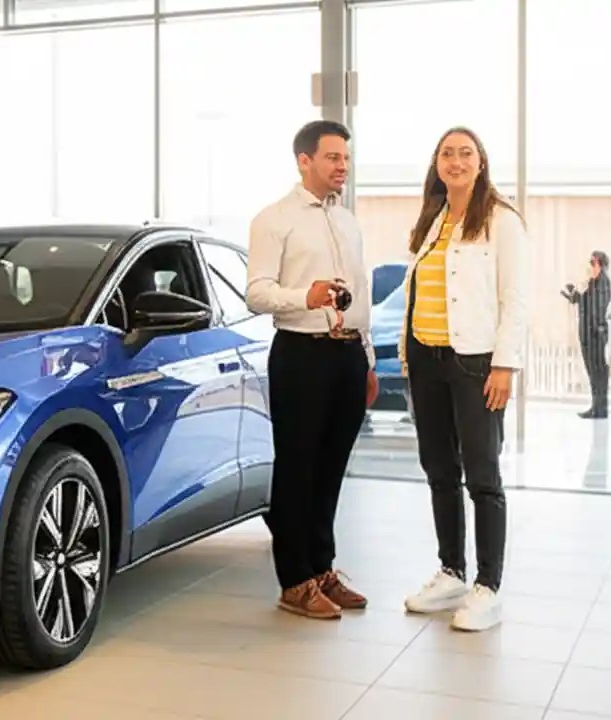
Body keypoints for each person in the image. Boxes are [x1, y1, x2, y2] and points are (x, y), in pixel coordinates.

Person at [397, 126, 530, 632]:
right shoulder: (434, 219)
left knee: (482, 474)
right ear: (436, 163)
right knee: (438, 469)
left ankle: (488, 585)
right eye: (446, 153)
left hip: (475, 363)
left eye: (465, 153)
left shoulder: (501, 220)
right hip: (425, 360)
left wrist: (504, 364)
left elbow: (515, 298)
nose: (455, 161)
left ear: (481, 162)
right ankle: (452, 570)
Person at [246, 119, 379, 621]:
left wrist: (365, 359)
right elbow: (256, 291)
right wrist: (306, 295)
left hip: (347, 355)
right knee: (298, 467)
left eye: (345, 158)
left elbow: (360, 295)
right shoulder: (273, 219)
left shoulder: (347, 221)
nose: (342, 166)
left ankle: (322, 568)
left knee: (331, 469)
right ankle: (294, 579)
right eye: (332, 158)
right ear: (305, 161)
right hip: (300, 353)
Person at [560, 251, 611, 418]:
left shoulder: (602, 282)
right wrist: (572, 294)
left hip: (595, 334)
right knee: (592, 372)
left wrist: (597, 328)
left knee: (598, 372)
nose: (589, 266)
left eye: (592, 262)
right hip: (588, 333)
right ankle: (596, 407)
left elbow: (599, 306)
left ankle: (600, 408)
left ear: (599, 264)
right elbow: (583, 301)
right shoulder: (591, 282)